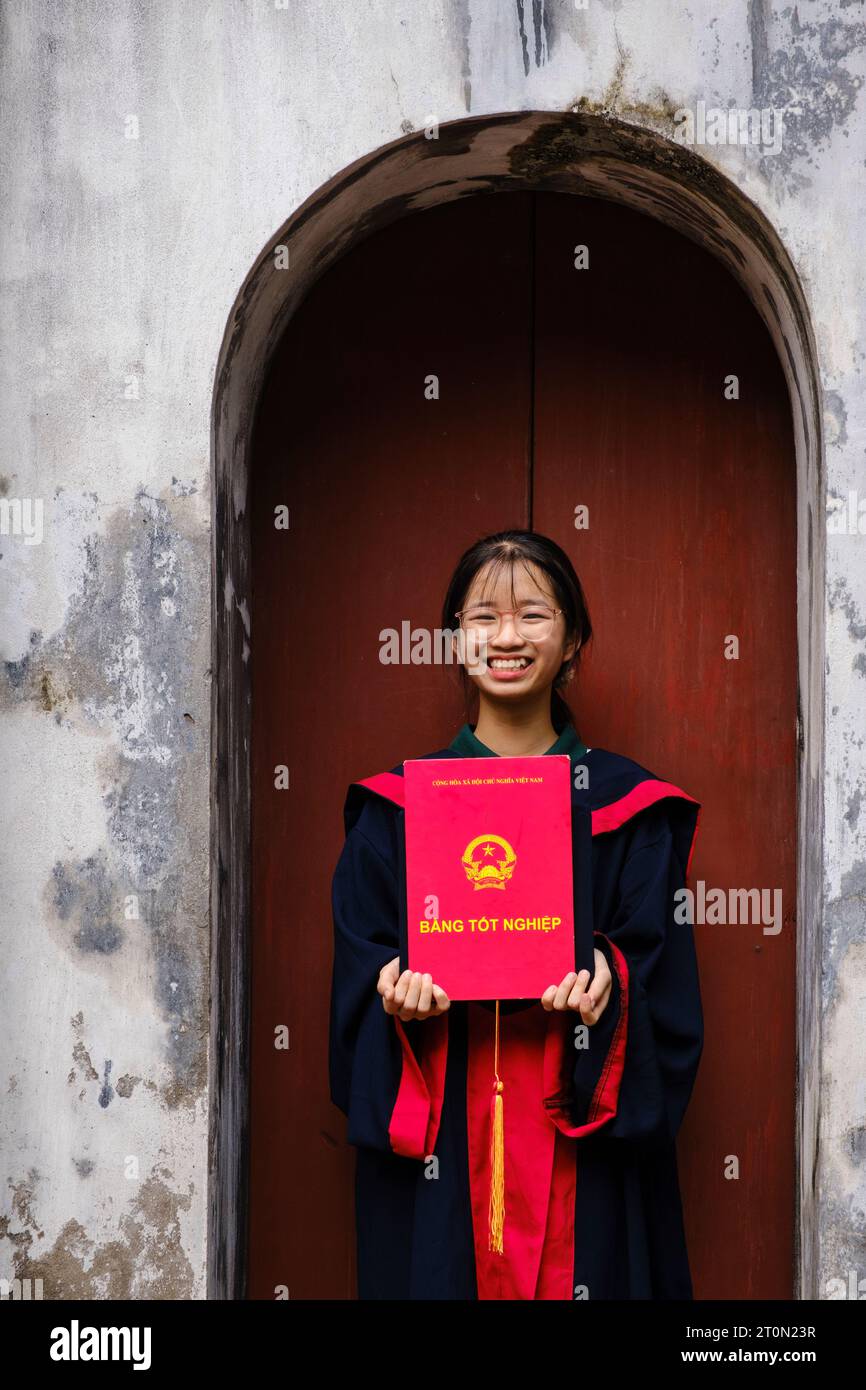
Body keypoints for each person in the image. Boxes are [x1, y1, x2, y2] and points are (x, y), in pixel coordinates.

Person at [328, 529, 703, 1300]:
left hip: (583, 1145)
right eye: (482, 618)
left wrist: (612, 980)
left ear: (574, 645)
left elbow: (663, 984)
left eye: (534, 615)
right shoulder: (392, 812)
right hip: (444, 1154)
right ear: (452, 642)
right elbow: (357, 984)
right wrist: (392, 1001)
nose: (507, 637)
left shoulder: (630, 811)